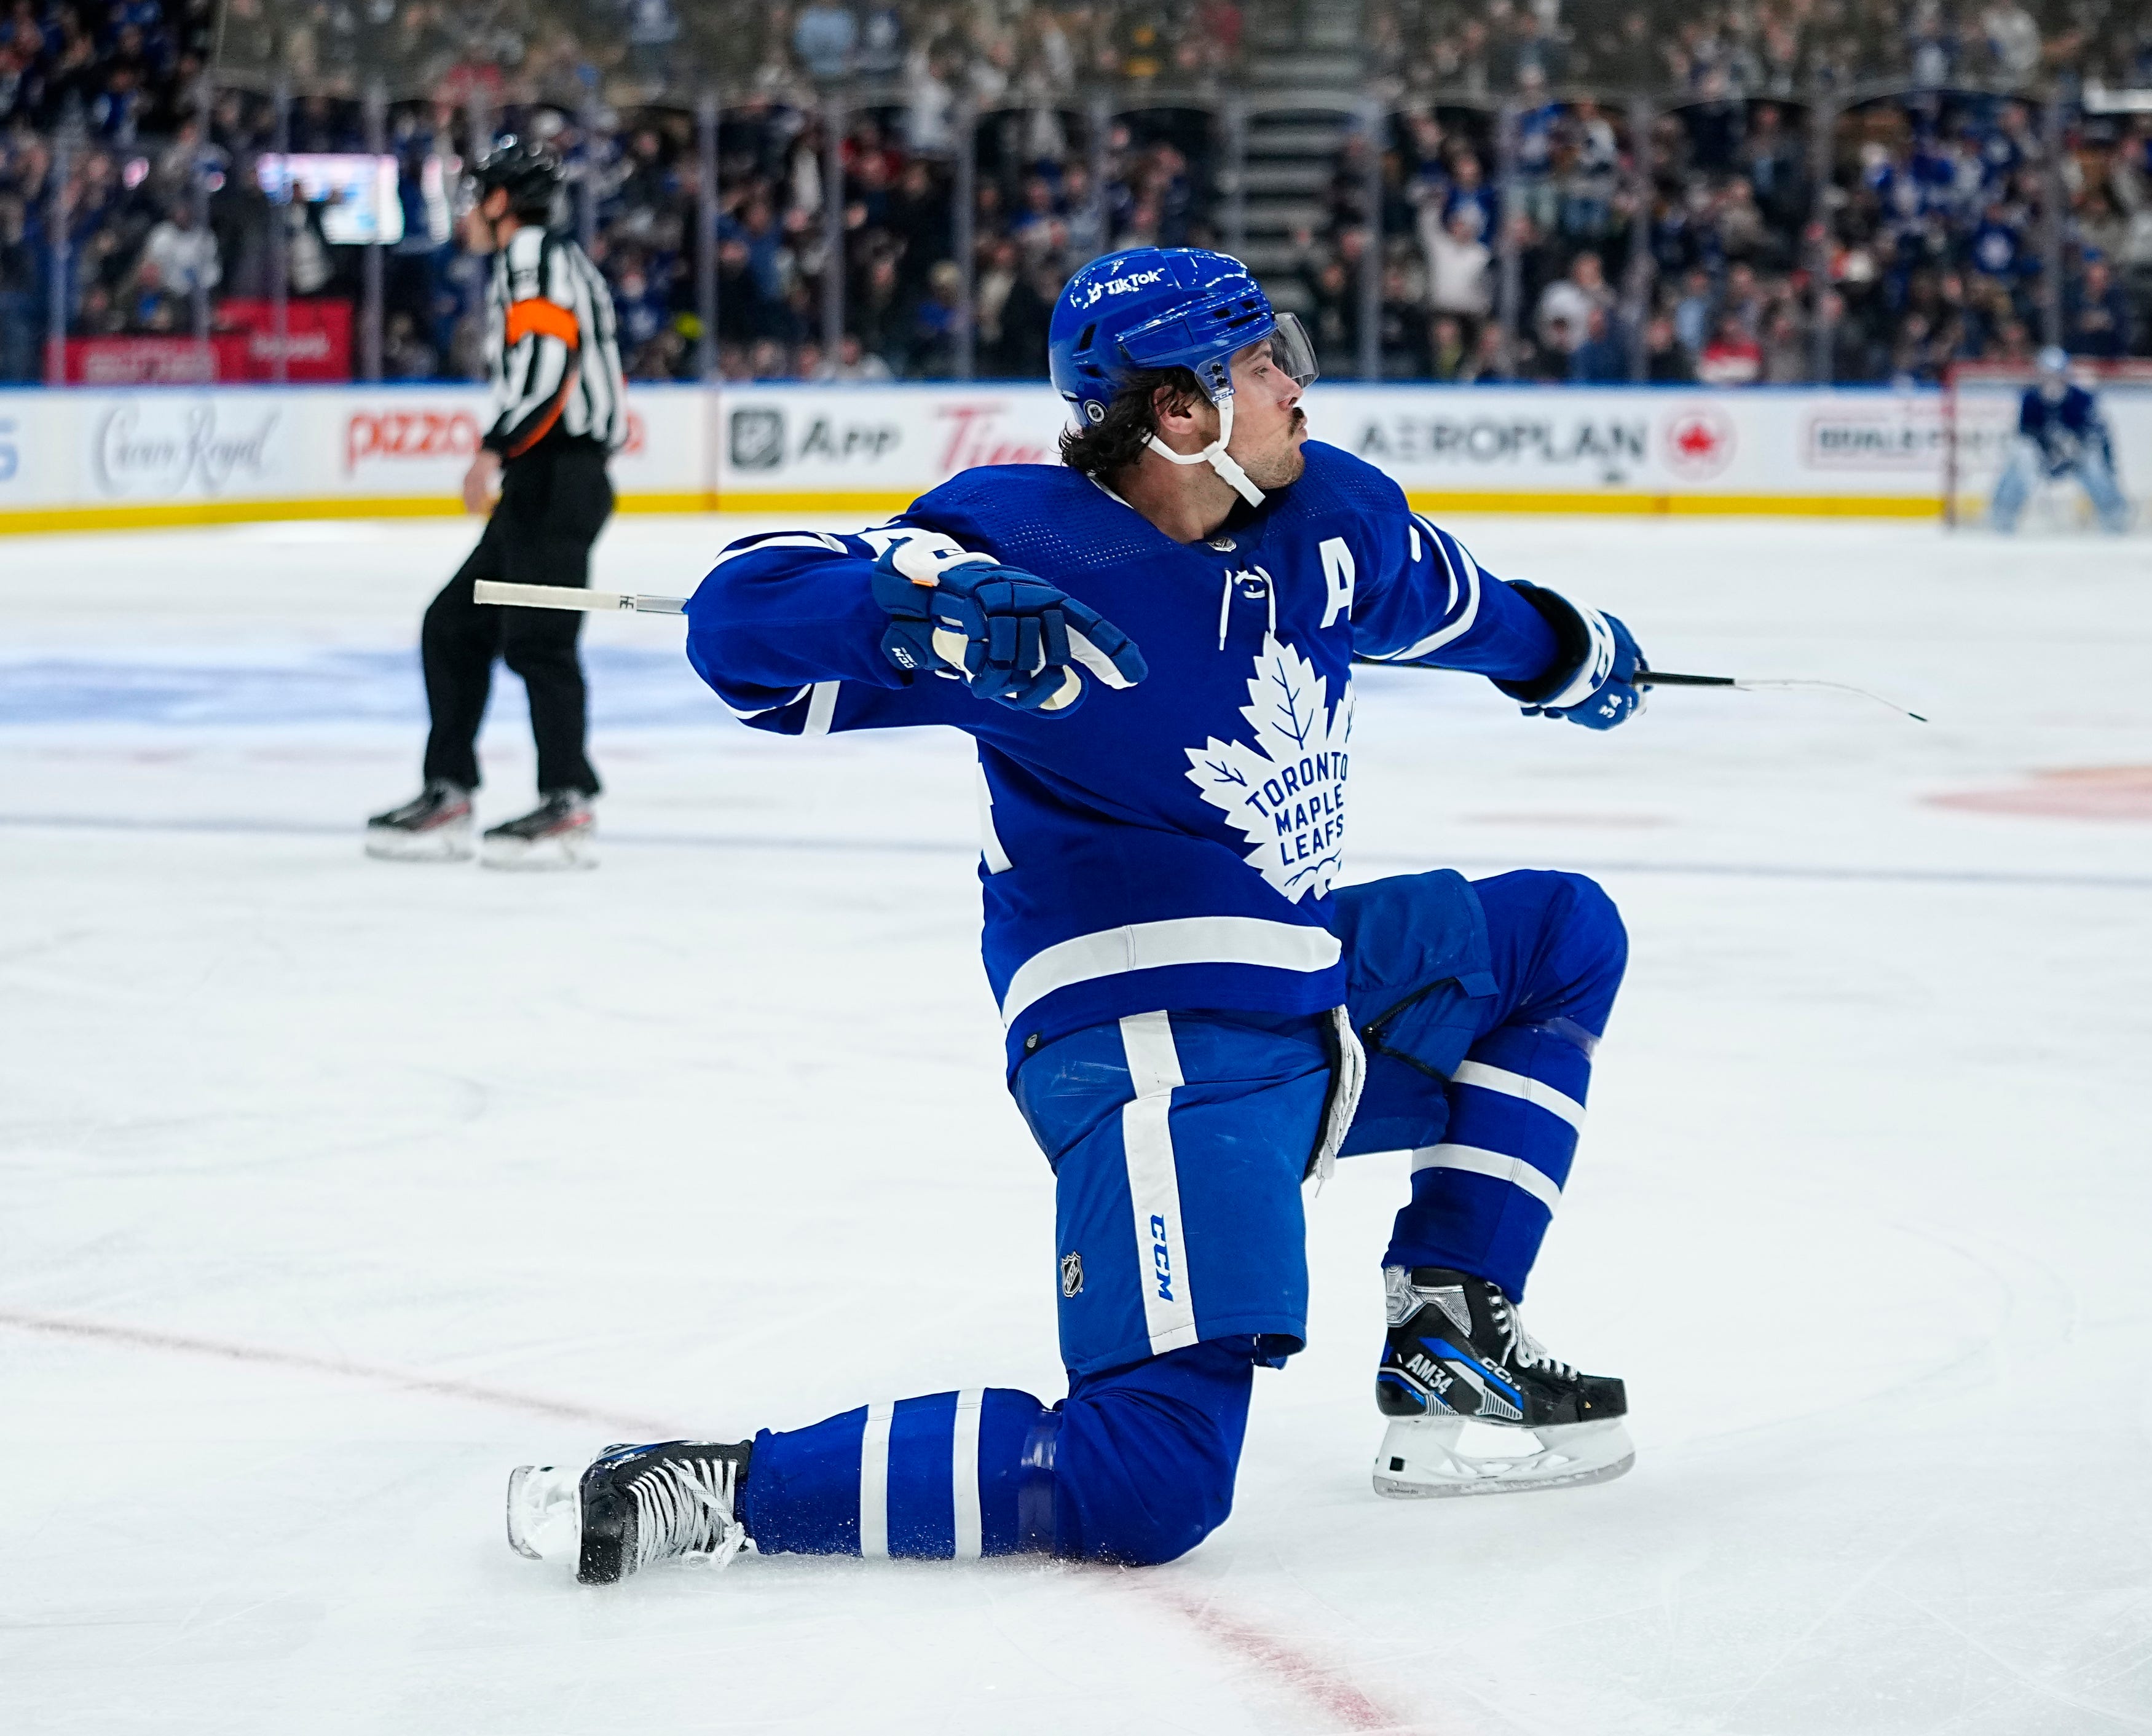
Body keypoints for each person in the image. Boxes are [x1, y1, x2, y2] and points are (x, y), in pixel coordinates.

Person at [504, 248, 1652, 1584]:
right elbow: (742, 617)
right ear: (1180, 413)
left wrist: (1564, 655)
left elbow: (1453, 606)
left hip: (1310, 974)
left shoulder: (1327, 510)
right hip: (1156, 1038)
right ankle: (715, 1485)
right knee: (1147, 1477)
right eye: (1258, 361)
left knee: (1558, 935)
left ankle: (1451, 1331)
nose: (1292, 382)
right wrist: (905, 610)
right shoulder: (1020, 548)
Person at [365, 139, 627, 869]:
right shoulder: (548, 256)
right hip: (546, 476)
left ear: (502, 203)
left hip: (554, 473)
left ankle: (567, 802)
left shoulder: (533, 256)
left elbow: (548, 370)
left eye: (477, 194)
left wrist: (494, 447)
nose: (468, 209)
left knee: (539, 642)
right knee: (453, 626)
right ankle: (448, 789)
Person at [1989, 347, 2128, 533]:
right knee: (2020, 455)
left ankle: (2115, 516)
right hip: (2043, 456)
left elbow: (2098, 436)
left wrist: (2078, 446)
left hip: (2076, 457)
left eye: (2057, 376)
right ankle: (2002, 515)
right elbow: (2024, 434)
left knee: (2094, 464)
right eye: (2047, 376)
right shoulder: (2030, 400)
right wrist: (2046, 447)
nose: (2052, 381)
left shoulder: (2083, 400)